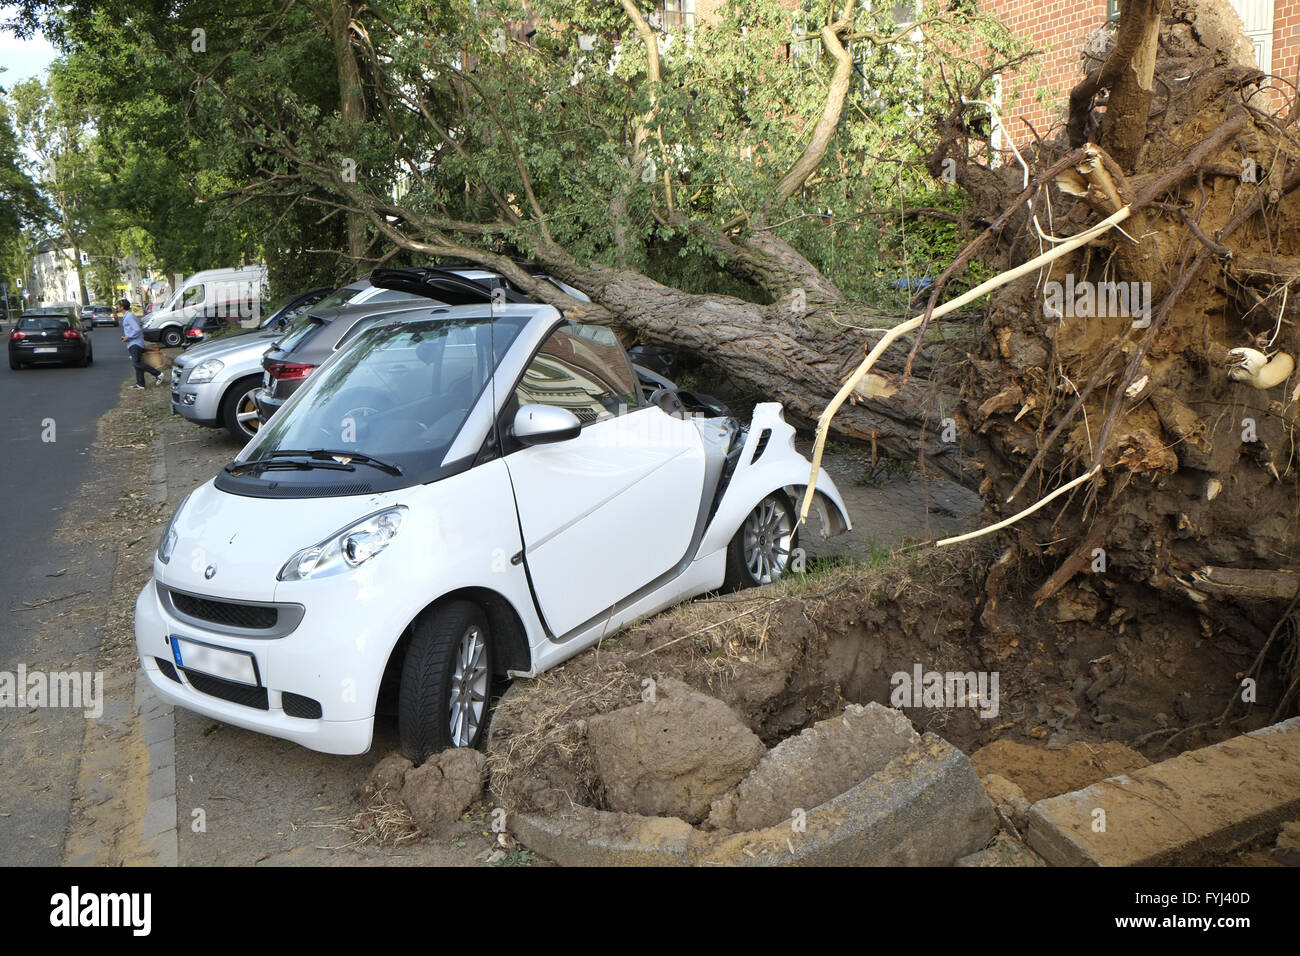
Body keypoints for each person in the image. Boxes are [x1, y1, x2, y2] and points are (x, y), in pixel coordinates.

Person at [118, 298, 161, 390]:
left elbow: (137, 329)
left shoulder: (129, 316)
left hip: (135, 344)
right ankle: (140, 384)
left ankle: (158, 374)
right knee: (137, 364)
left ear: (122, 307)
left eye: (118, 306)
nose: (117, 307)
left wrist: (128, 337)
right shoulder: (127, 316)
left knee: (136, 363)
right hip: (132, 343)